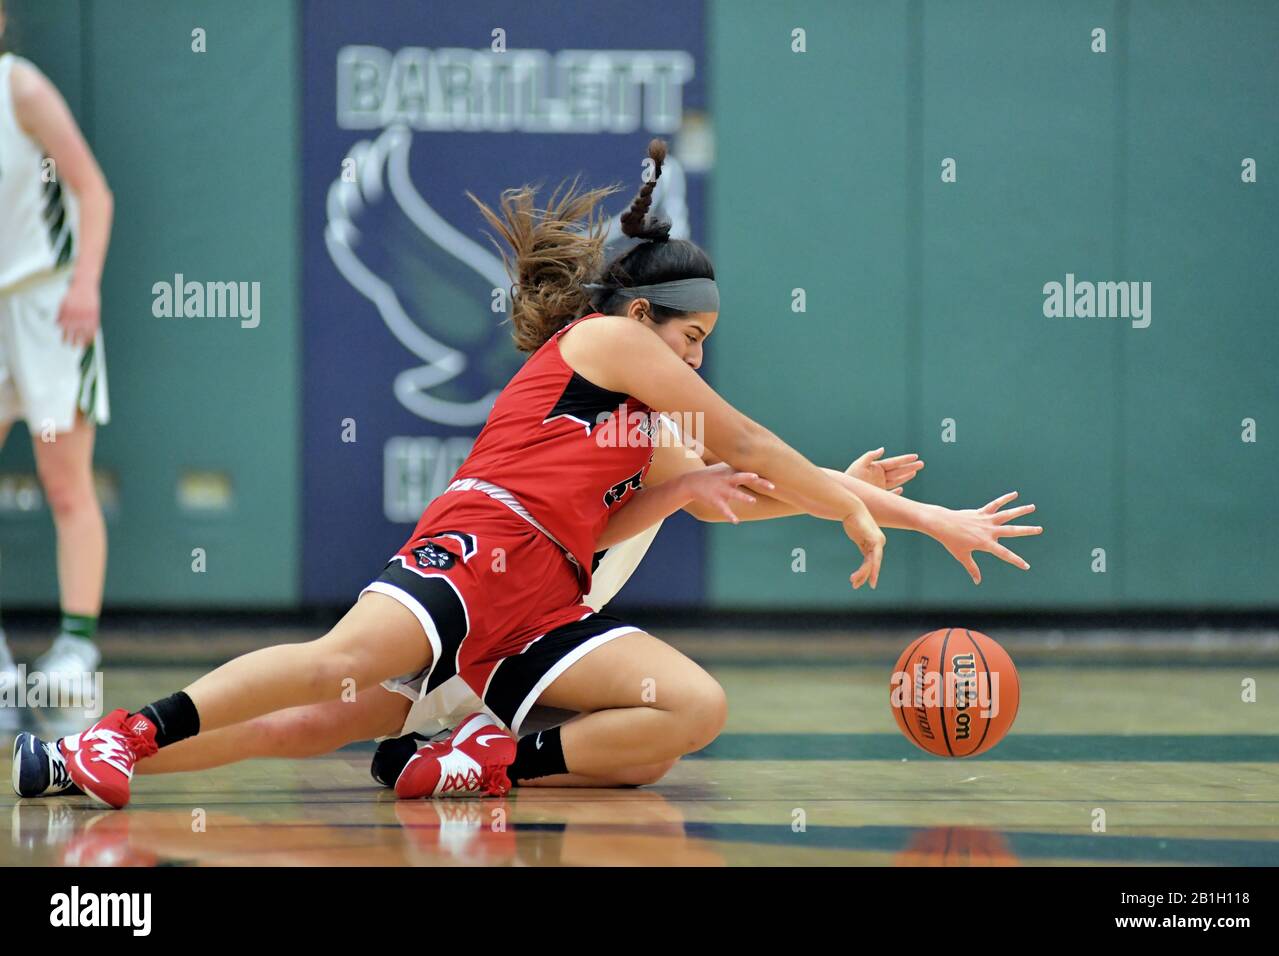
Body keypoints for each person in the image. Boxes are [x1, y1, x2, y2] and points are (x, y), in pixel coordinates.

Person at [30, 140, 1040, 808]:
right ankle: (114, 741)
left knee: (678, 718)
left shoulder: (653, 417)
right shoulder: (608, 340)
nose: (695, 356)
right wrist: (881, 505)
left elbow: (757, 487)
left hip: (541, 600)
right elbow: (762, 453)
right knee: (320, 685)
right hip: (483, 544)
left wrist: (915, 513)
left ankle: (479, 757)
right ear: (645, 317)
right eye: (690, 335)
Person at [0, 0, 114, 701]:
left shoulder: (23, 88)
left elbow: (94, 192)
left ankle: (75, 646)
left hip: (48, 305)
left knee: (65, 479)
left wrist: (86, 286)